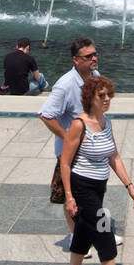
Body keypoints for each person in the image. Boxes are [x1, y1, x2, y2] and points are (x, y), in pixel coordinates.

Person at [59, 75, 134, 265]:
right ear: (90, 98)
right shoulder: (79, 124)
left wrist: (130, 186)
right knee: (104, 232)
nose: (107, 99)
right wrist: (69, 196)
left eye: (109, 95)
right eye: (102, 95)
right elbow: (65, 163)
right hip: (80, 186)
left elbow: (113, 157)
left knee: (84, 233)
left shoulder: (106, 122)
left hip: (98, 187)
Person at [40, 38, 103, 239]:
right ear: (76, 60)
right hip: (71, 153)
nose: (94, 58)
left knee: (93, 194)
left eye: (95, 54)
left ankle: (98, 234)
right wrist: (68, 137)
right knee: (72, 197)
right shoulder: (65, 85)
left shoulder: (95, 76)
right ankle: (77, 238)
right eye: (89, 56)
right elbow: (46, 115)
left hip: (92, 148)